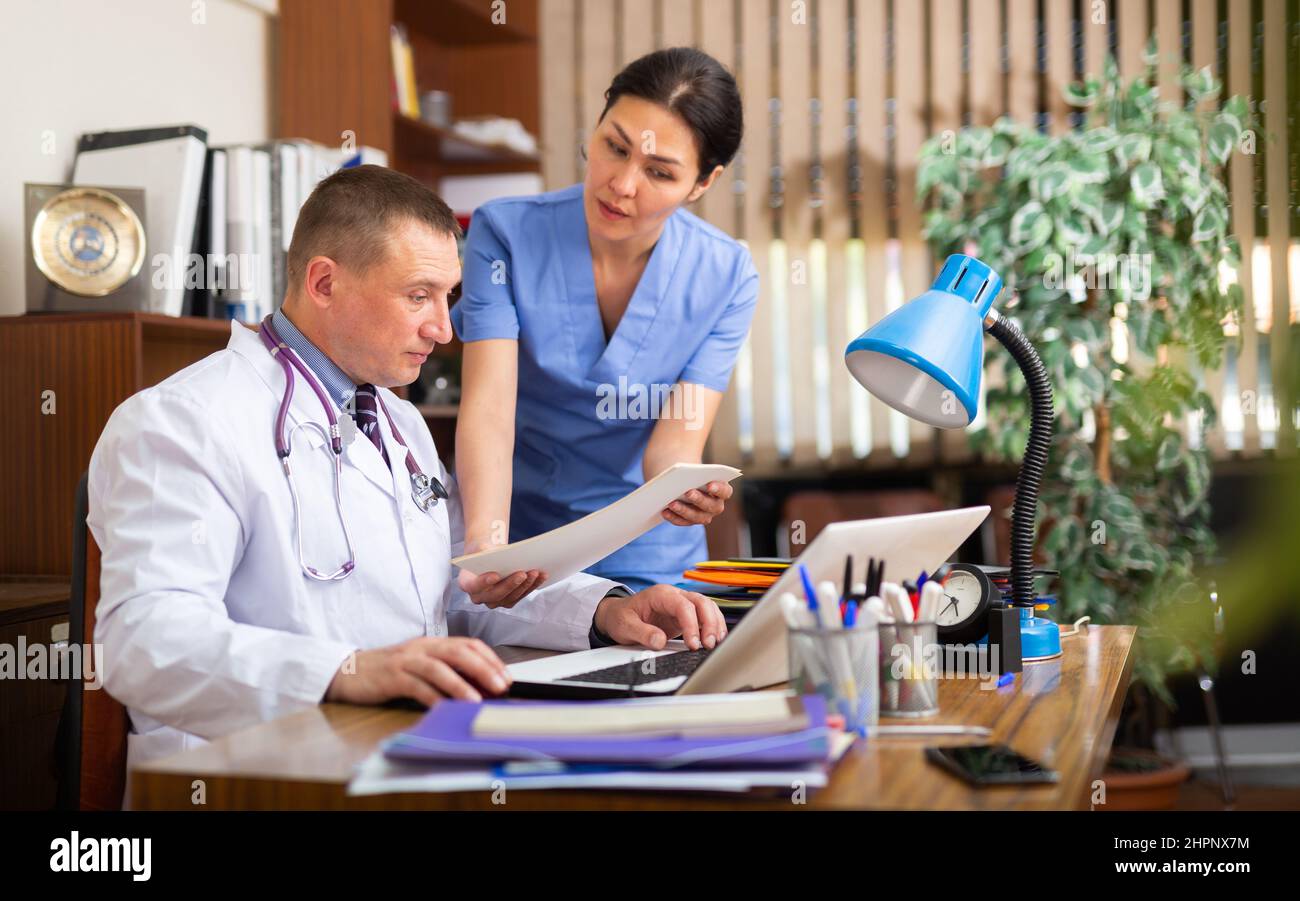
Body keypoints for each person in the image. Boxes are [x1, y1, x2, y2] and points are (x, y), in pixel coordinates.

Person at [87, 165, 727, 776]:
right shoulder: (181, 422)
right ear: (324, 283)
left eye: (448, 297)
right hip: (251, 770)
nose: (444, 329)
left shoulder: (401, 423)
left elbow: (459, 588)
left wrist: (604, 610)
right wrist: (346, 671)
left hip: (399, 744)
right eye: (418, 295)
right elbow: (146, 644)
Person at [453, 47, 759, 599]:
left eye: (659, 172)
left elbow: (672, 447)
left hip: (649, 554)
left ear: (702, 183)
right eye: (614, 147)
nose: (621, 184)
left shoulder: (726, 276)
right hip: (518, 545)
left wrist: (684, 491)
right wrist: (488, 544)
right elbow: (490, 410)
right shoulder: (504, 235)